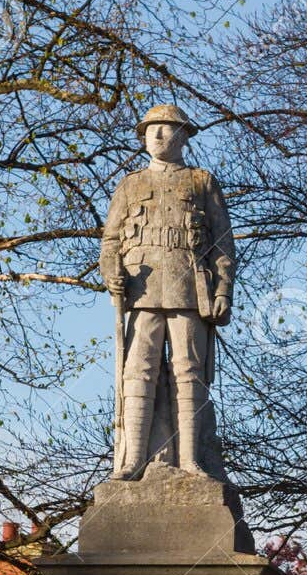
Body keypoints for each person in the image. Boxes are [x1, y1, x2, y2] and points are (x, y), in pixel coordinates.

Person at [100, 104, 235, 478]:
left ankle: (191, 459)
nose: (157, 136)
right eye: (151, 130)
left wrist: (223, 289)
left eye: (166, 129)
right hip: (141, 290)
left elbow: (222, 242)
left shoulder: (201, 181)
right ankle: (133, 460)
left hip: (190, 288)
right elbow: (111, 240)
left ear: (184, 137)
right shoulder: (130, 184)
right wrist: (112, 271)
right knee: (137, 371)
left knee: (189, 372)